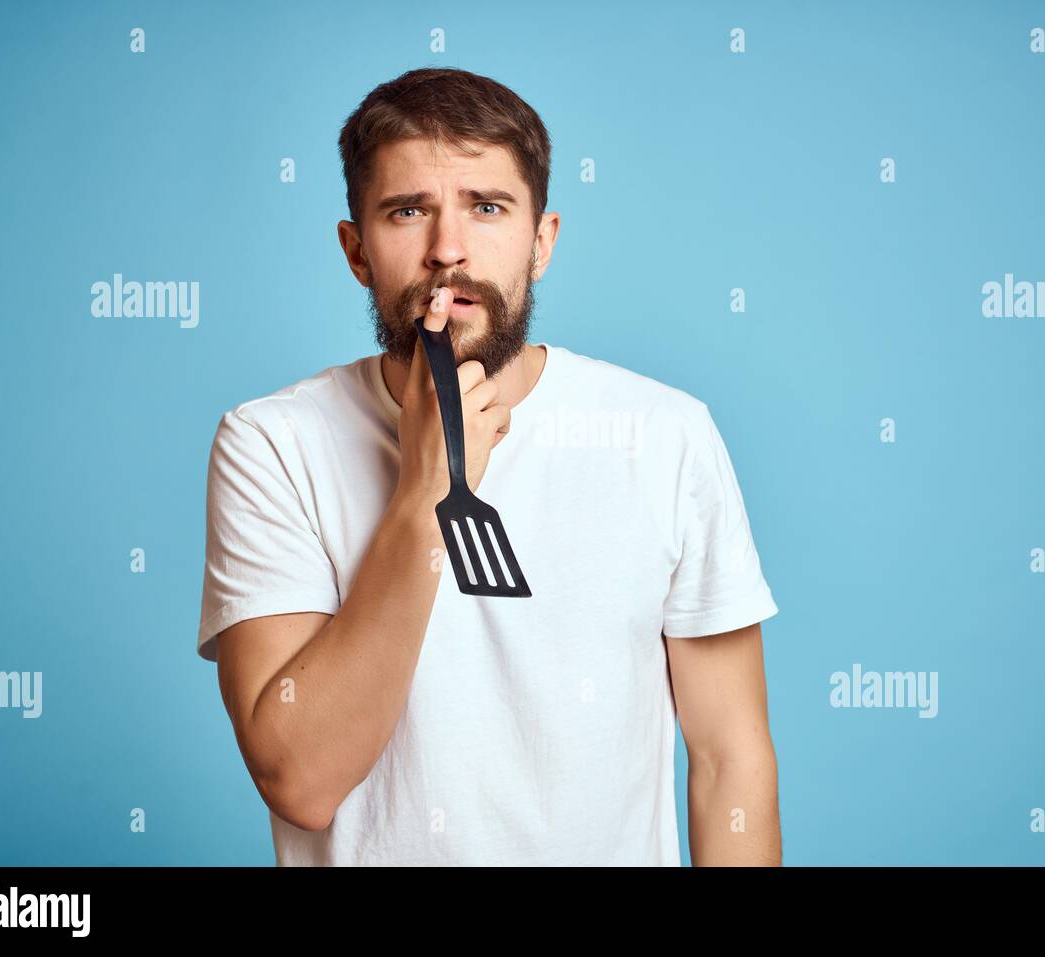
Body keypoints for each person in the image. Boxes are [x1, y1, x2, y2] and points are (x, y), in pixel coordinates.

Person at [197, 66, 781, 866]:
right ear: (357, 250)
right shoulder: (271, 445)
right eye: (409, 211)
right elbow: (299, 777)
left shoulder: (664, 435)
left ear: (541, 243)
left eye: (488, 207)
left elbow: (728, 760)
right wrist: (423, 493)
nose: (449, 251)